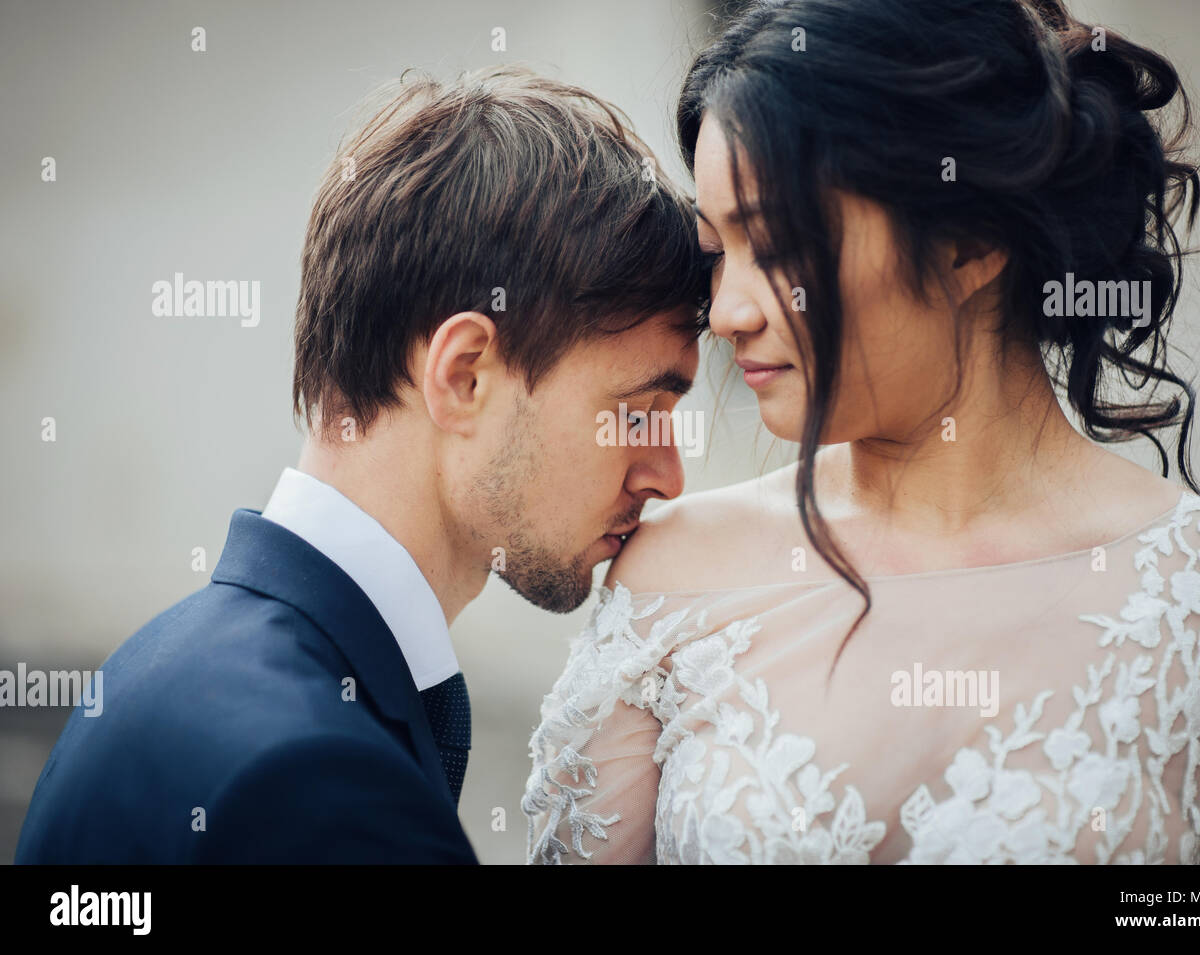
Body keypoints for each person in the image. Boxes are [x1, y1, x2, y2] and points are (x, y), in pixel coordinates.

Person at [523, 0, 1200, 864]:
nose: (728, 312)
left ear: (969, 240)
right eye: (718, 253)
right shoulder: (668, 580)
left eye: (776, 245)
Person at [16, 65, 706, 864]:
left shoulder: (152, 664)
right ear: (464, 376)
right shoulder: (317, 786)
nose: (667, 475)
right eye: (640, 411)